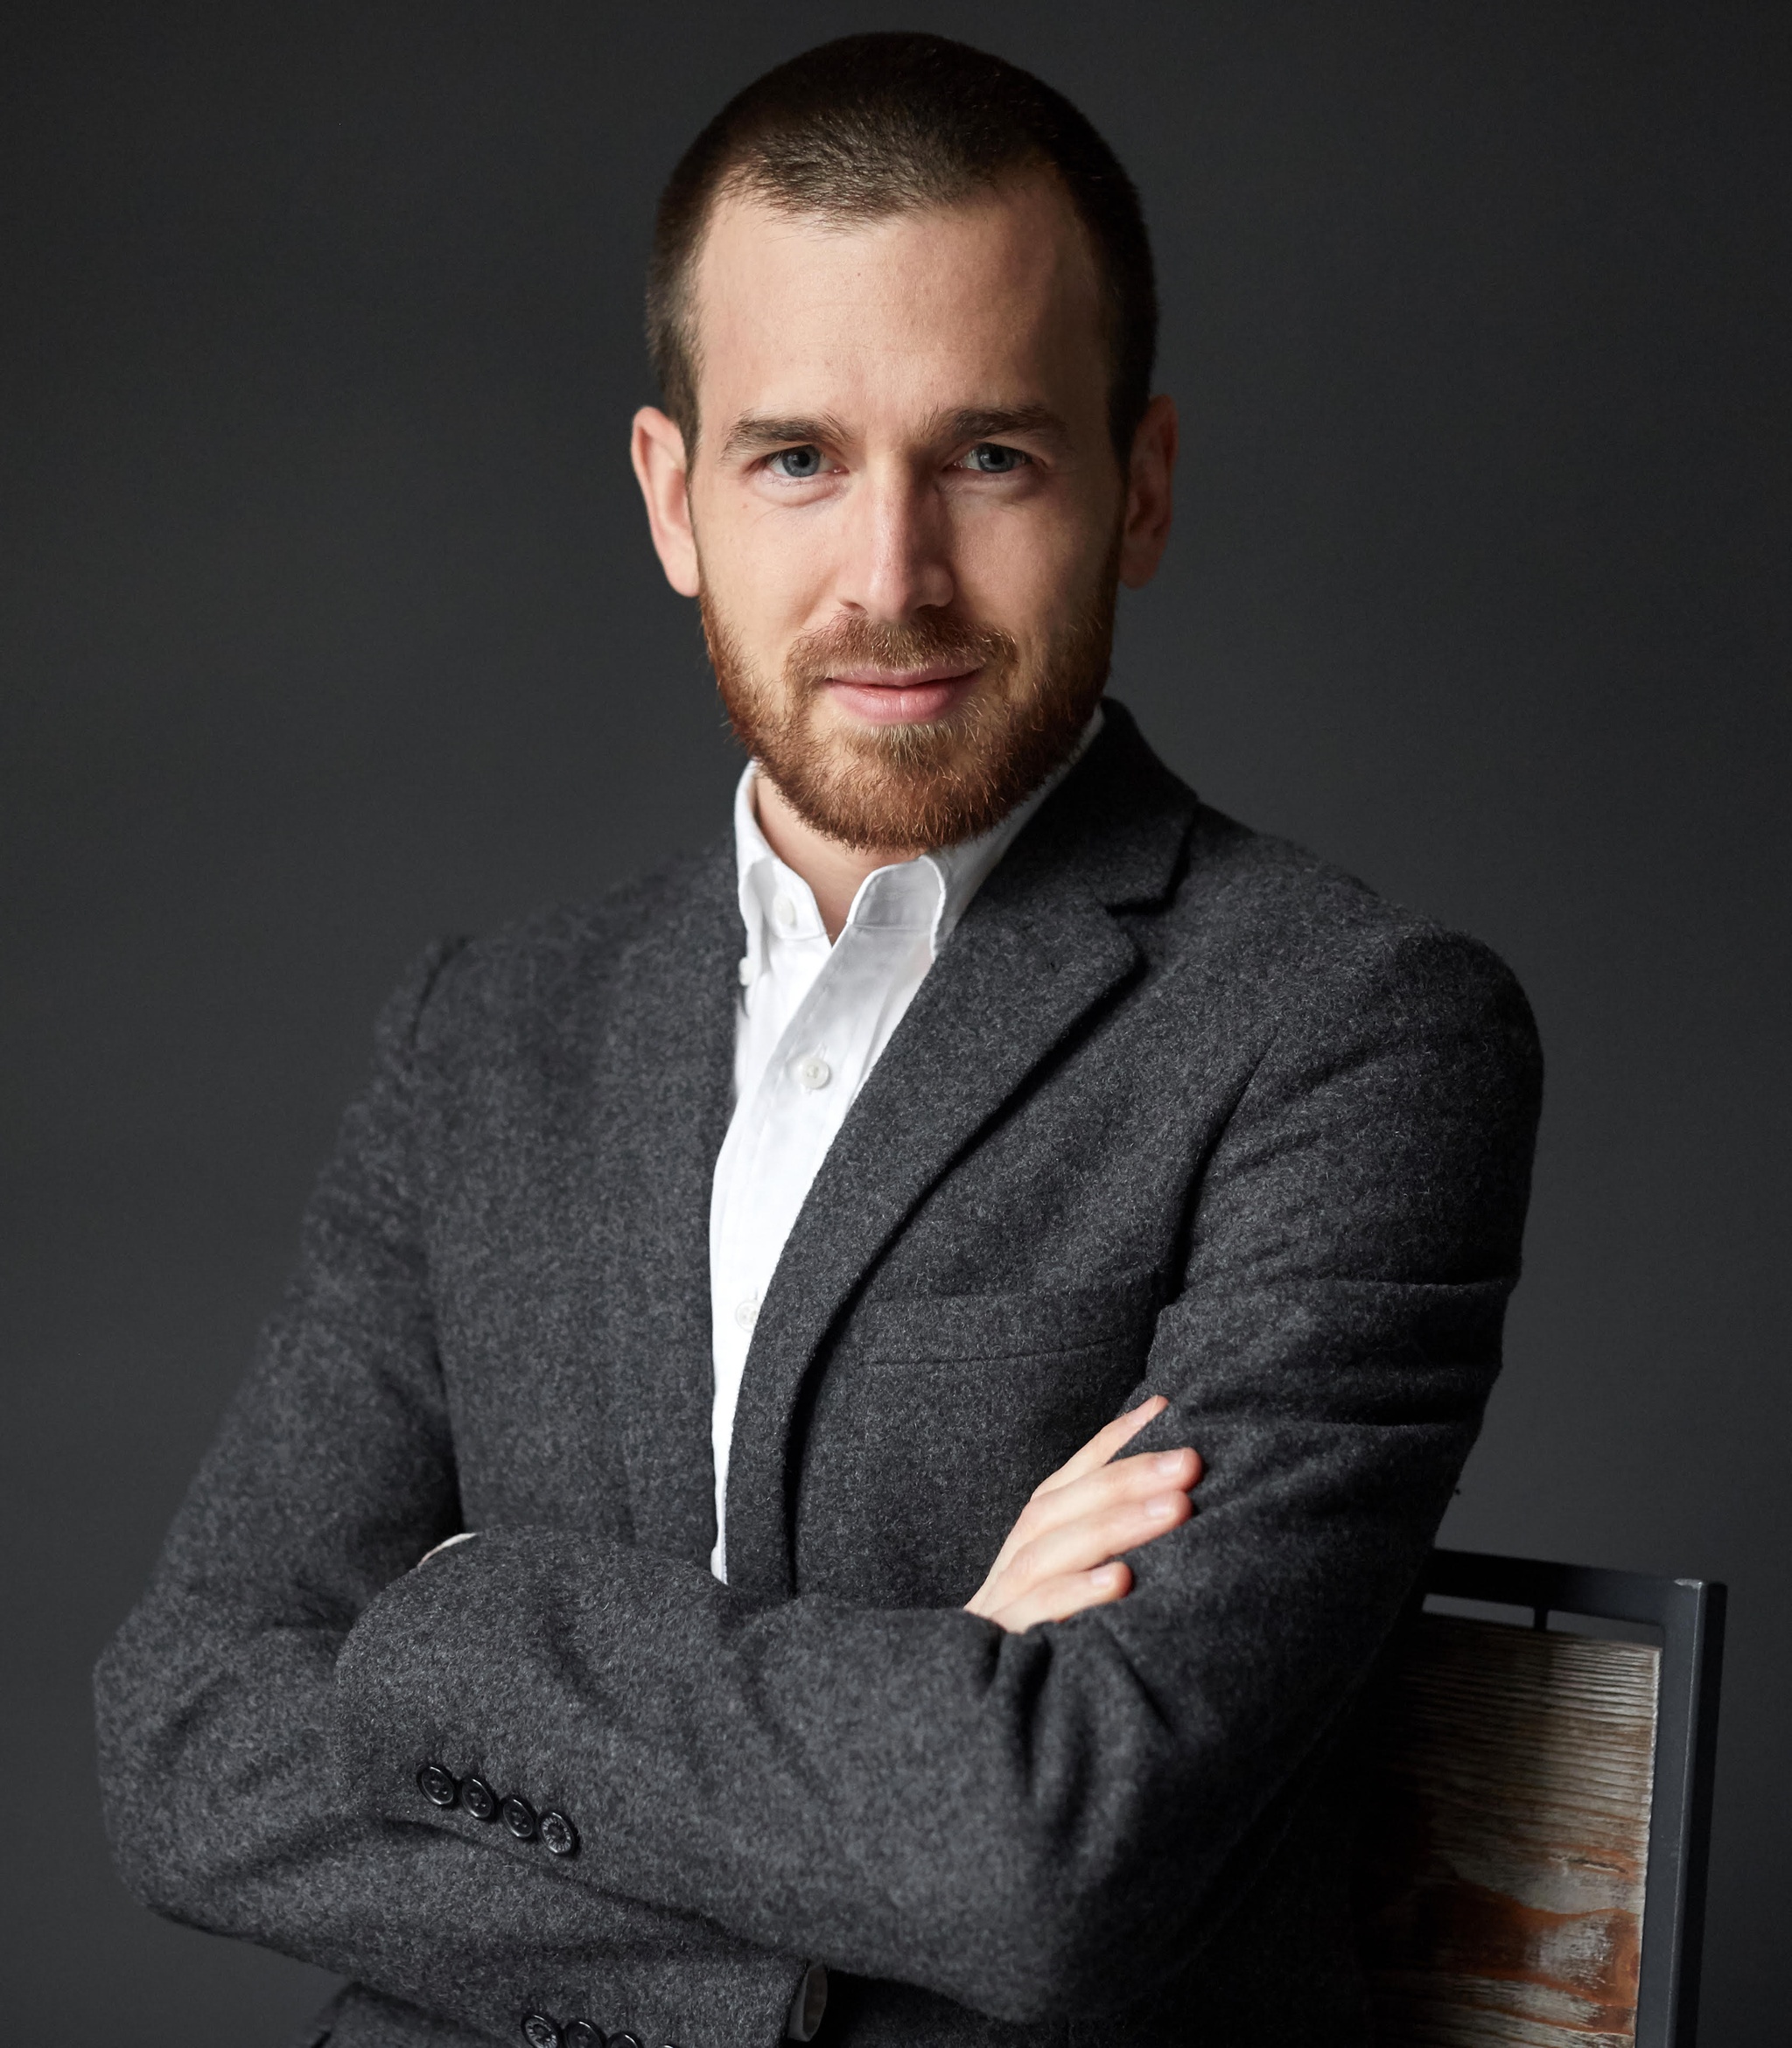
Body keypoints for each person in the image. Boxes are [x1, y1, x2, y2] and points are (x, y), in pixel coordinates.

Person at [94, 32, 1541, 2048]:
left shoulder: (1351, 1033)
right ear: (674, 500)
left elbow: (1049, 1861)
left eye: (991, 457)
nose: (892, 579)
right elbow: (182, 1735)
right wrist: (913, 1706)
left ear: (1139, 489)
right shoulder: (484, 1033)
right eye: (798, 459)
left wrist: (452, 1616)